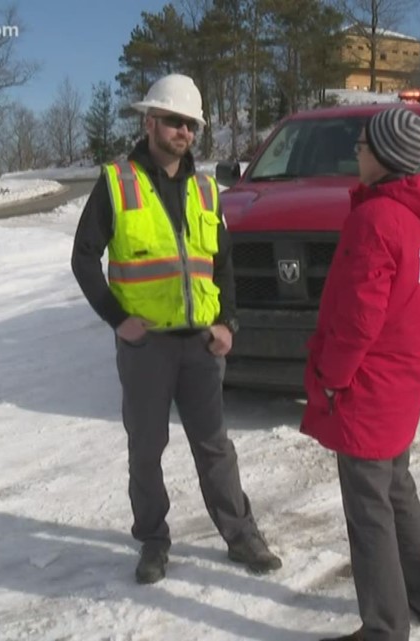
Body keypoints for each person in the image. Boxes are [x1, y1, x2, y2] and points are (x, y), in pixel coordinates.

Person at [71, 73, 281, 584]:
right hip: (147, 348)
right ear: (150, 123)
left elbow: (224, 264)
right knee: (146, 448)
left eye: (190, 124)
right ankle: (153, 541)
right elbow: (83, 258)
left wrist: (227, 323)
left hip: (201, 345)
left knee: (214, 446)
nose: (183, 132)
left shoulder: (207, 189)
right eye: (173, 122)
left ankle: (240, 535)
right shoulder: (117, 183)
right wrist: (119, 320)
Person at [301, 107, 420, 641]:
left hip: (368, 387)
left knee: (369, 511)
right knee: (396, 490)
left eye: (363, 144)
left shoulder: (376, 220)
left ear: (385, 156)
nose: (356, 151)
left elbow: (358, 317)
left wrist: (331, 378)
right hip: (403, 382)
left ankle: (385, 628)